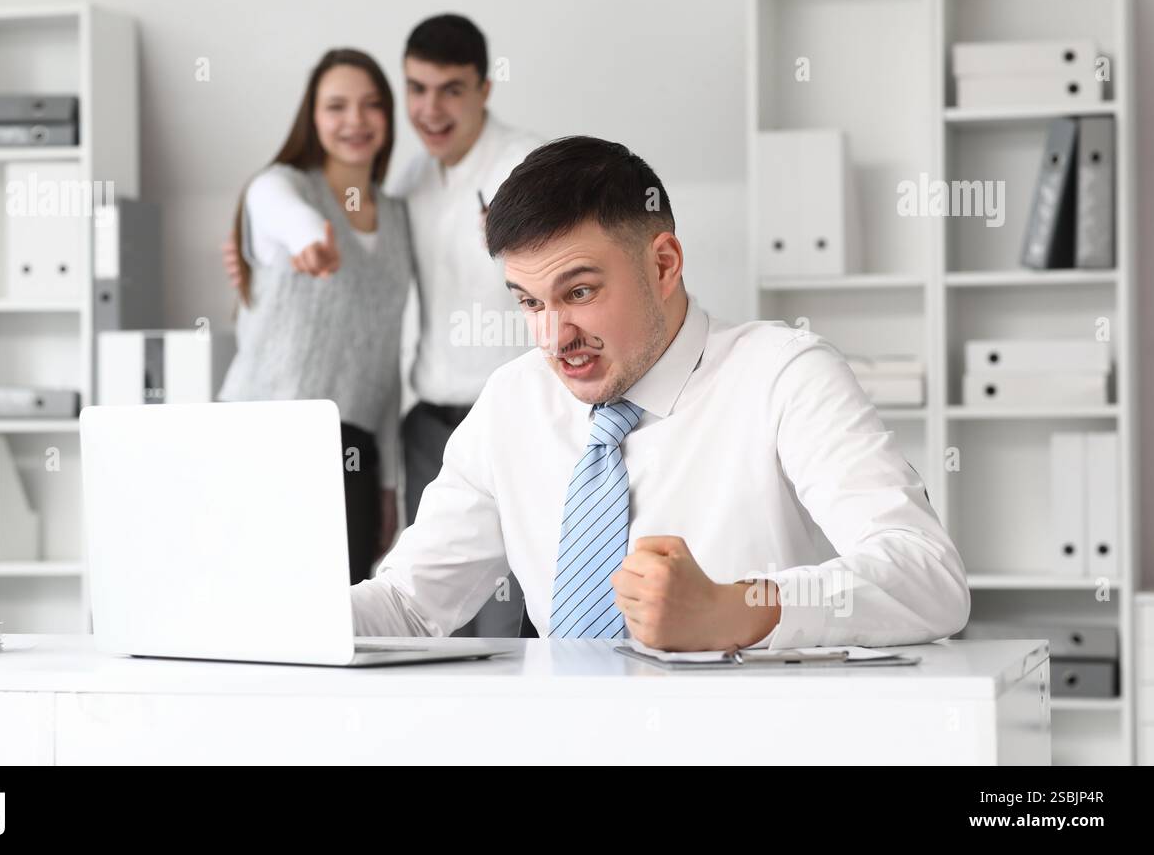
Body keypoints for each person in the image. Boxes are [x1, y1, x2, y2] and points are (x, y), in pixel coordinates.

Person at [350, 136, 971, 649]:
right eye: (530, 303)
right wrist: (290, 622)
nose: (553, 337)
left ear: (664, 264)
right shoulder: (512, 401)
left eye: (580, 293)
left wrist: (745, 608)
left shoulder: (783, 375)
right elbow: (409, 602)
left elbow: (929, 577)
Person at [222, 15, 542, 636]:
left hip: (493, 416)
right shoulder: (403, 184)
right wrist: (287, 241)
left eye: (451, 88)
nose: (431, 107)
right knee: (407, 617)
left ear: (484, 88)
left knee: (497, 623)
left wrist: (514, 242)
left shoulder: (523, 167)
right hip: (408, 427)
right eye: (417, 88)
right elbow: (278, 212)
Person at [218, 48, 412, 585]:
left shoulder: (398, 217)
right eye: (336, 106)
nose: (355, 120)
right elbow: (288, 217)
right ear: (313, 116)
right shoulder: (281, 186)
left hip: (352, 449)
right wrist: (309, 240)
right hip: (263, 431)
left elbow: (387, 355)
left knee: (337, 618)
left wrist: (389, 483)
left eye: (372, 105)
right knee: (252, 603)